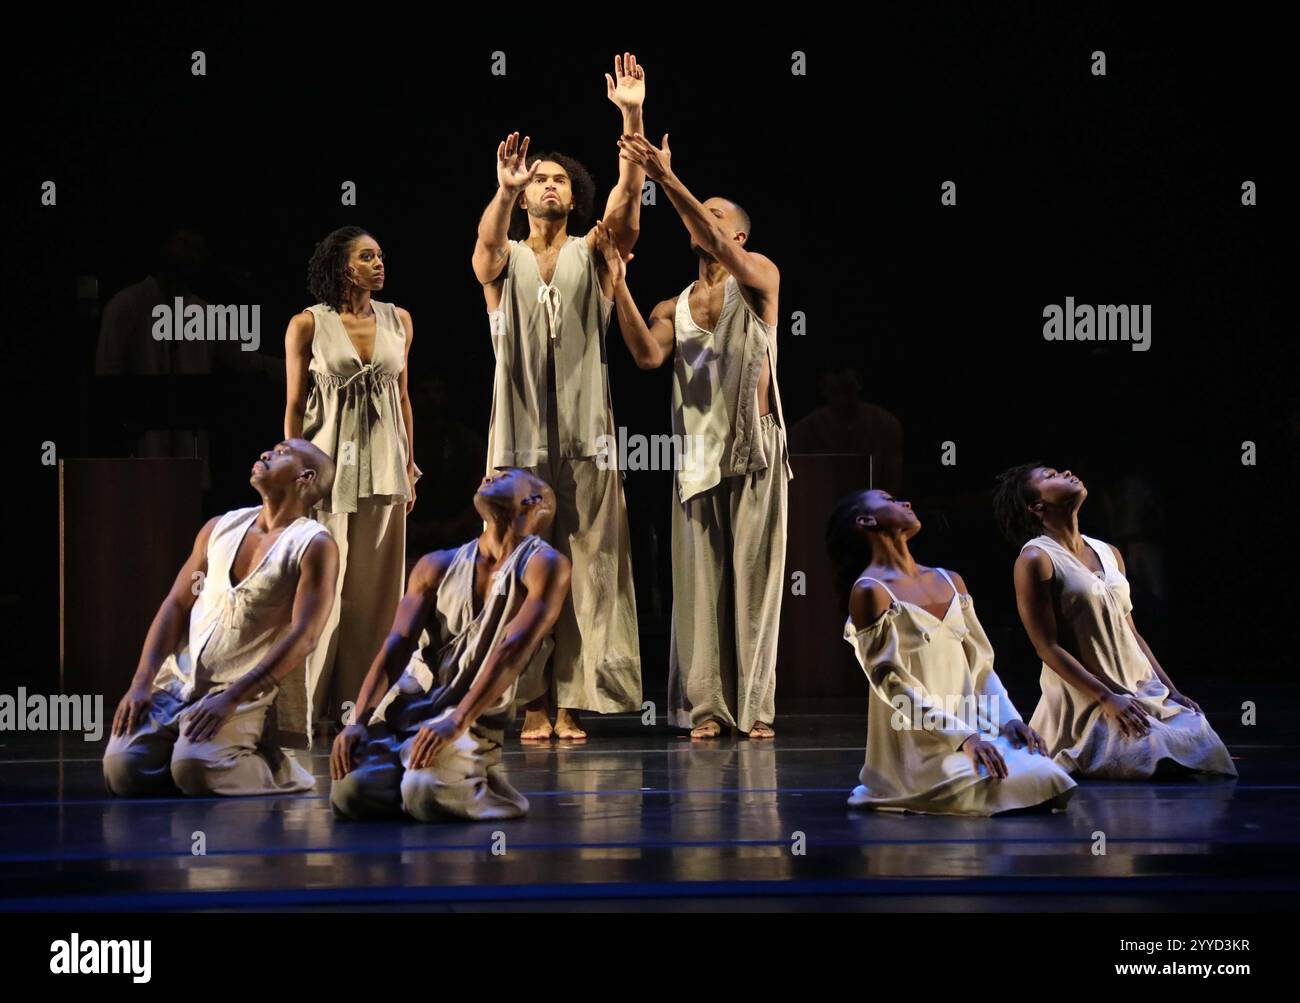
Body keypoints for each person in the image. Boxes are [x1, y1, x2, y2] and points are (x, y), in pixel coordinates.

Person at [470, 54, 649, 740]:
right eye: (537, 178)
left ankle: (572, 694)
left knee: (588, 558)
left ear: (574, 199)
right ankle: (528, 695)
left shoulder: (594, 251)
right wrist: (503, 191)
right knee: (517, 556)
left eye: (556, 181)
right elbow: (484, 250)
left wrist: (631, 116)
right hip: (517, 431)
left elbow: (628, 208)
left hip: (586, 430)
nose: (546, 186)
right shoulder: (507, 259)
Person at [610, 131, 793, 739]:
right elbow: (644, 356)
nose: (703, 221)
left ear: (737, 235)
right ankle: (707, 707)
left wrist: (667, 178)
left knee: (755, 584)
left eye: (716, 215)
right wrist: (617, 285)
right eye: (699, 211)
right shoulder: (674, 304)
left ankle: (756, 707)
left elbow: (715, 238)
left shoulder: (759, 274)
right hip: (695, 459)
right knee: (698, 591)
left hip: (754, 451)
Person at [330, 469, 570, 821]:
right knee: (351, 794)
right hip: (412, 707)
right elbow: (396, 646)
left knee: (424, 796)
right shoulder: (436, 565)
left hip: (470, 718)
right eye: (487, 474)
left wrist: (457, 720)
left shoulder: (544, 565)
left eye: (503, 476)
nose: (488, 476)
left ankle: (477, 783)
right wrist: (358, 720)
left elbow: (513, 649)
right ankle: (418, 769)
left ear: (532, 501)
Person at [103, 439, 339, 796]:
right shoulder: (220, 527)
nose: (265, 454)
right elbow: (176, 604)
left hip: (240, 693)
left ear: (305, 477)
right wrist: (141, 681)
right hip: (179, 682)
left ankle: (276, 769)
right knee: (122, 771)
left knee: (195, 770)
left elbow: (305, 636)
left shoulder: (312, 544)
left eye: (281, 452)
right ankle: (184, 753)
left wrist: (232, 698)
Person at [824, 488, 1077, 815]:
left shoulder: (950, 580)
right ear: (866, 520)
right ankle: (915, 785)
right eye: (889, 501)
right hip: (922, 750)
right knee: (1031, 783)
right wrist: (963, 738)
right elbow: (893, 686)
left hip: (975, 731)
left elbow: (982, 666)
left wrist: (1009, 720)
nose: (906, 502)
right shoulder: (871, 591)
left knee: (1050, 775)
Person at [995, 463, 1237, 779]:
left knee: (1202, 739)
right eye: (1050, 476)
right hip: (1090, 696)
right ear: (1036, 506)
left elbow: (1130, 632)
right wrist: (1107, 698)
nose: (1066, 472)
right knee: (1153, 751)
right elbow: (1047, 647)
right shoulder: (1036, 559)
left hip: (1139, 687)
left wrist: (1170, 689)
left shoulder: (1108, 551)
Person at [285, 226, 421, 744]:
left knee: (378, 591)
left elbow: (404, 399)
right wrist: (293, 467)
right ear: (345, 267)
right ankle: (309, 707)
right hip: (326, 470)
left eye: (381, 255)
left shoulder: (399, 319)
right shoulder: (307, 325)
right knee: (327, 589)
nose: (379, 264)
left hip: (386, 466)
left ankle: (365, 707)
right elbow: (295, 406)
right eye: (368, 257)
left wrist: (410, 463)